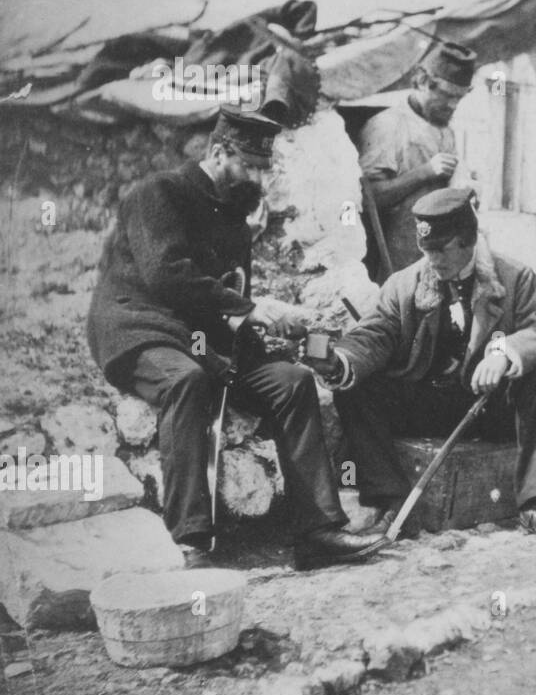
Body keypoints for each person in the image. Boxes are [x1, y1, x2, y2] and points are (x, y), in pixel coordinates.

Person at [87, 108, 386, 571]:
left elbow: (225, 302)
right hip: (141, 330)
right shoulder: (157, 194)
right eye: (249, 164)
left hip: (200, 339)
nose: (258, 177)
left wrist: (263, 332)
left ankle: (318, 530)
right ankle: (190, 542)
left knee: (291, 382)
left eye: (263, 168)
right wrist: (249, 309)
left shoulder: (233, 223)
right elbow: (166, 276)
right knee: (186, 380)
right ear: (218, 152)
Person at [318, 189, 536, 549]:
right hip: (428, 405)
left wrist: (503, 351)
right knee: (357, 387)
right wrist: (341, 361)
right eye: (426, 249)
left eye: (442, 249)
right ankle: (391, 501)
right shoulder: (404, 285)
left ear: (468, 241)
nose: (432, 259)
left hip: (489, 408)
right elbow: (375, 335)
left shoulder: (515, 277)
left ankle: (534, 505)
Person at [357, 40, 476, 273]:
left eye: (459, 97)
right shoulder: (387, 126)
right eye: (447, 95)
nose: (453, 105)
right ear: (422, 81)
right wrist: (424, 173)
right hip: (397, 263)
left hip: (439, 260)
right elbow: (367, 198)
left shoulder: (445, 129)